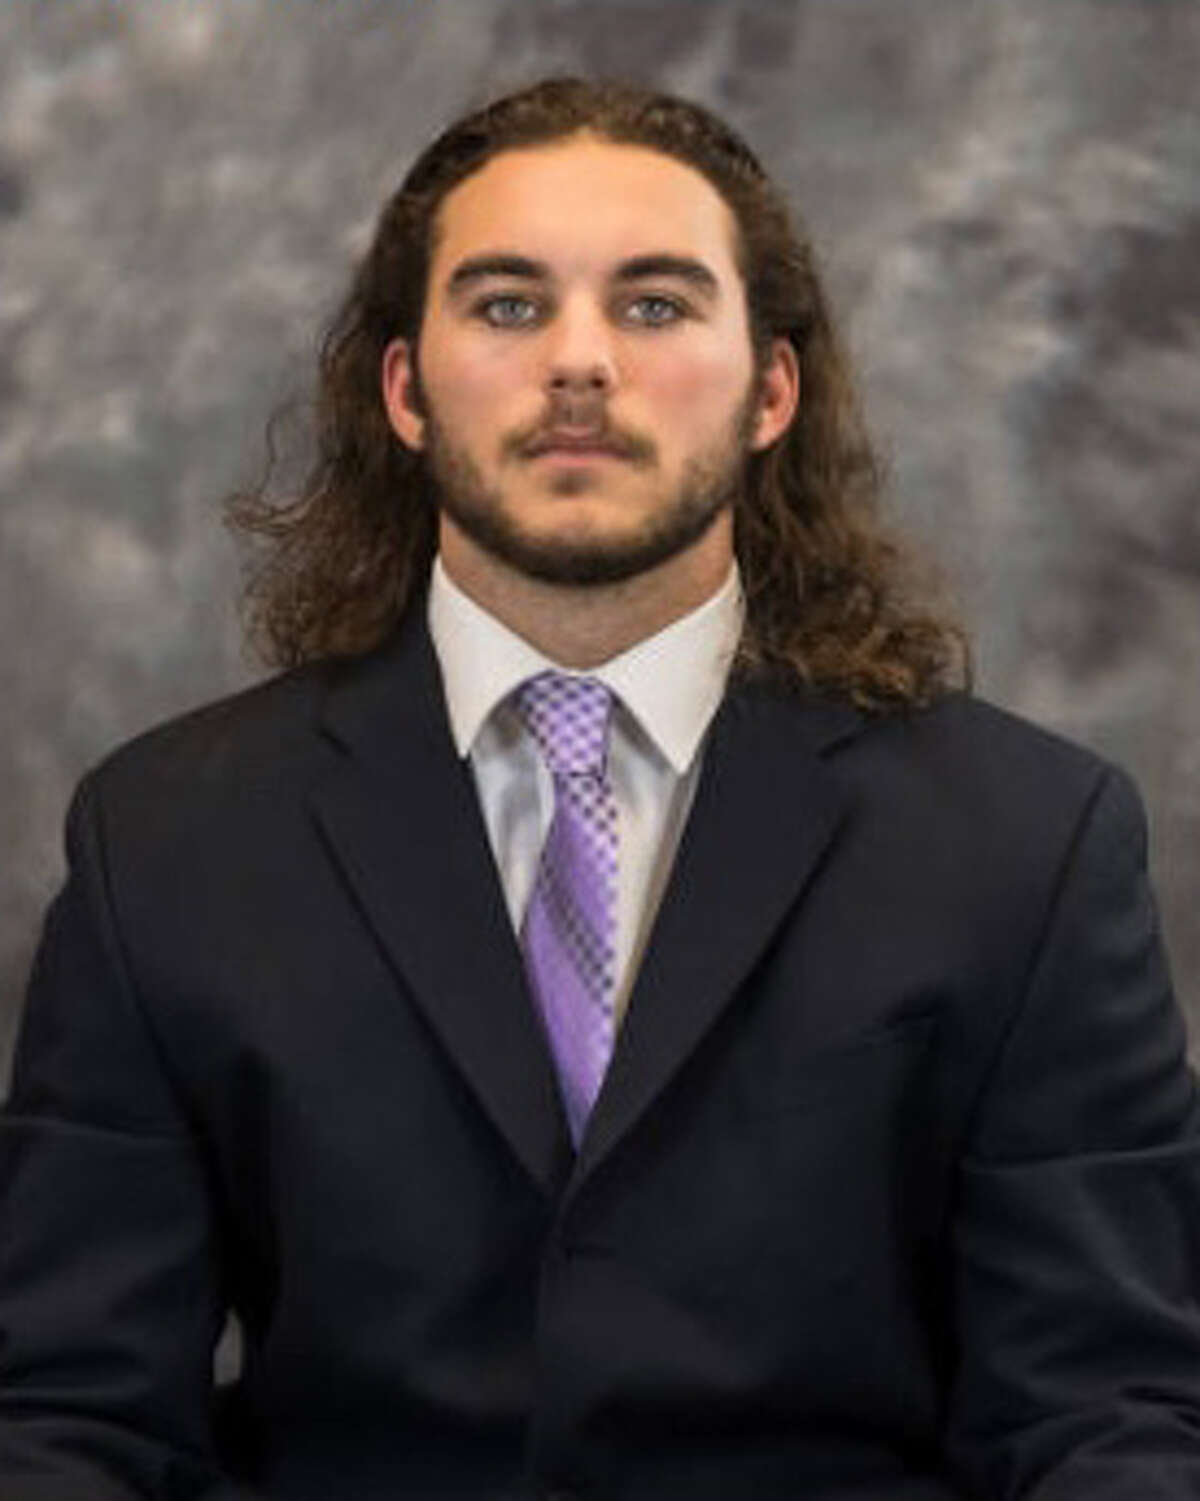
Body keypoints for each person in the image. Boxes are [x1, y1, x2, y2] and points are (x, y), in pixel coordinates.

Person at [1, 75, 1198, 1501]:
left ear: (772, 389)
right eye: (507, 304)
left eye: (655, 304)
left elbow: (1108, 1414)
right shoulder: (165, 844)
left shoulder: (1030, 843)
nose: (580, 361)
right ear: (403, 387)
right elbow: (70, 1417)